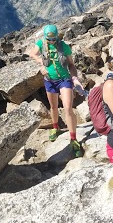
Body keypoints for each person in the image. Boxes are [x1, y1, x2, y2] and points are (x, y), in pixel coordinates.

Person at [28, 24, 83, 158]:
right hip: (49, 80)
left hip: (64, 79)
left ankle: (73, 139)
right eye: (49, 39)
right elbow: (32, 53)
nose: (52, 42)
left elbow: (71, 65)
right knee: (53, 106)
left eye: (53, 40)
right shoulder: (41, 43)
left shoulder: (64, 46)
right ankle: (55, 127)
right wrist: (41, 63)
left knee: (67, 107)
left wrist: (75, 78)